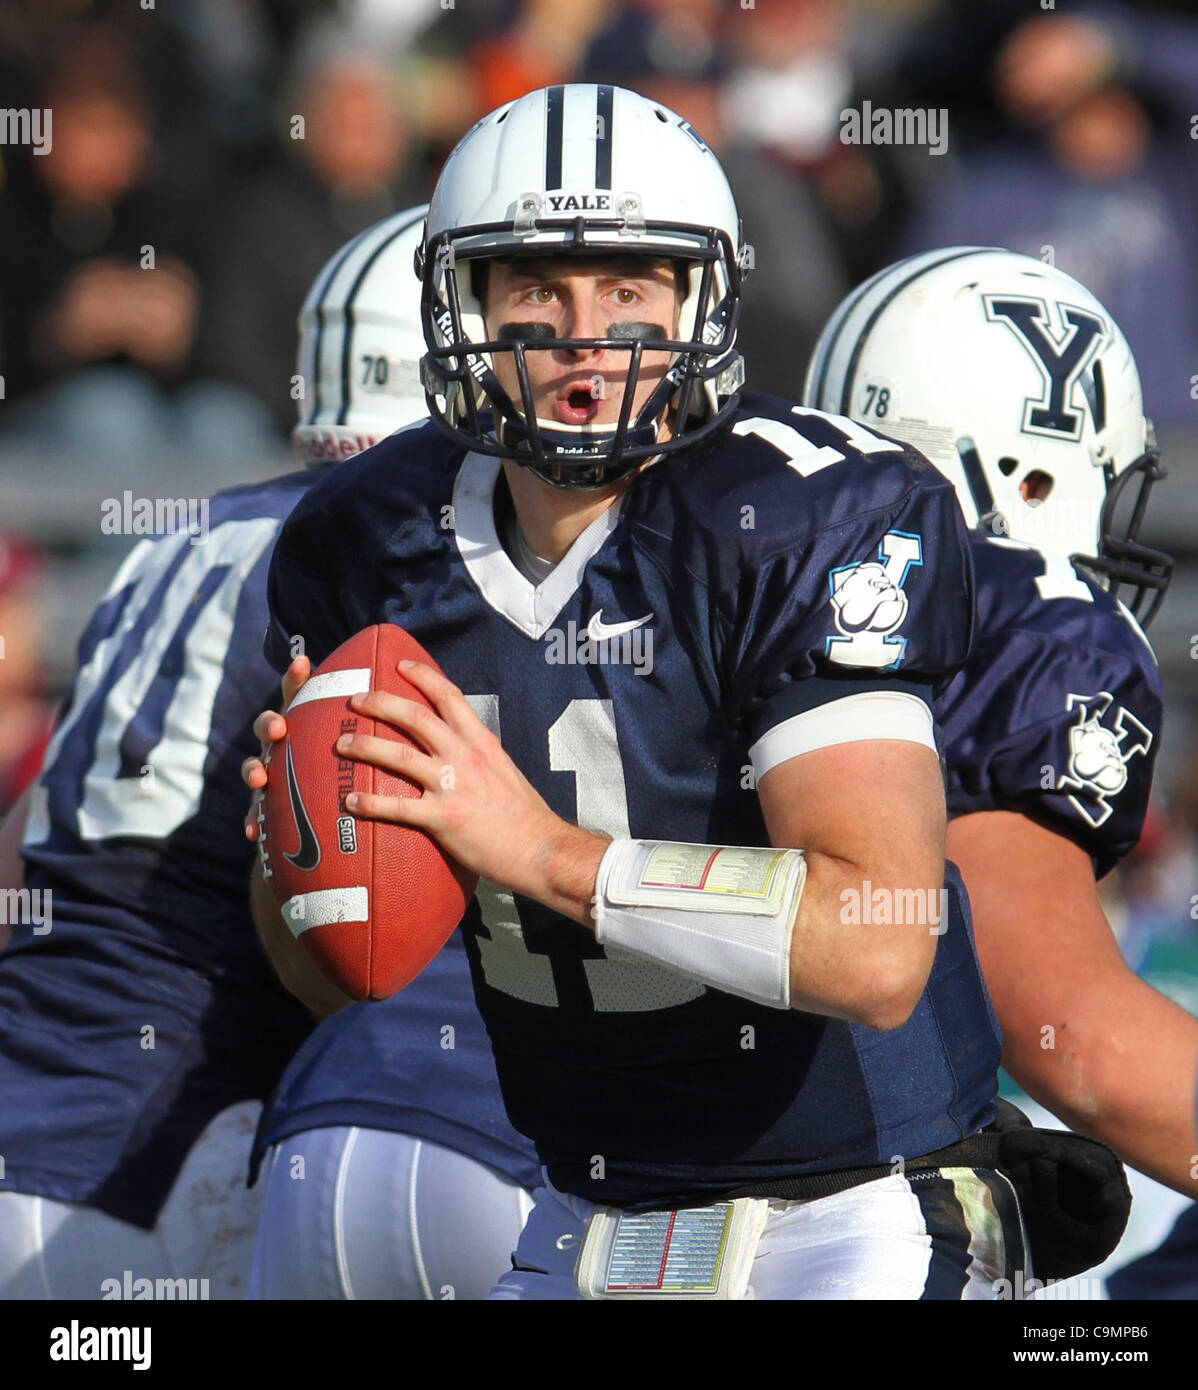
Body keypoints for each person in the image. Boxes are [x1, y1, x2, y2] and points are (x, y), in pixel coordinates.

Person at [243, 83, 1021, 1301]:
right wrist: (305, 863)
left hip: (855, 1209)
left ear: (697, 299)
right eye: (535, 288)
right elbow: (336, 975)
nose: (585, 333)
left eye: (628, 287)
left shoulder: (800, 514)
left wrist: (546, 852)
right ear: (467, 305)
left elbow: (876, 940)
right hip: (579, 1211)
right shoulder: (366, 539)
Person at [0, 206, 533, 1300]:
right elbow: (357, 917)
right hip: (172, 1152)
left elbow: (27, 844)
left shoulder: (178, 541)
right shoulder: (386, 561)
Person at [803, 246, 1197, 1204]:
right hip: (809, 1235)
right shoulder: (1025, 627)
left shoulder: (752, 565)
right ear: (1028, 483)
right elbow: (1083, 1043)